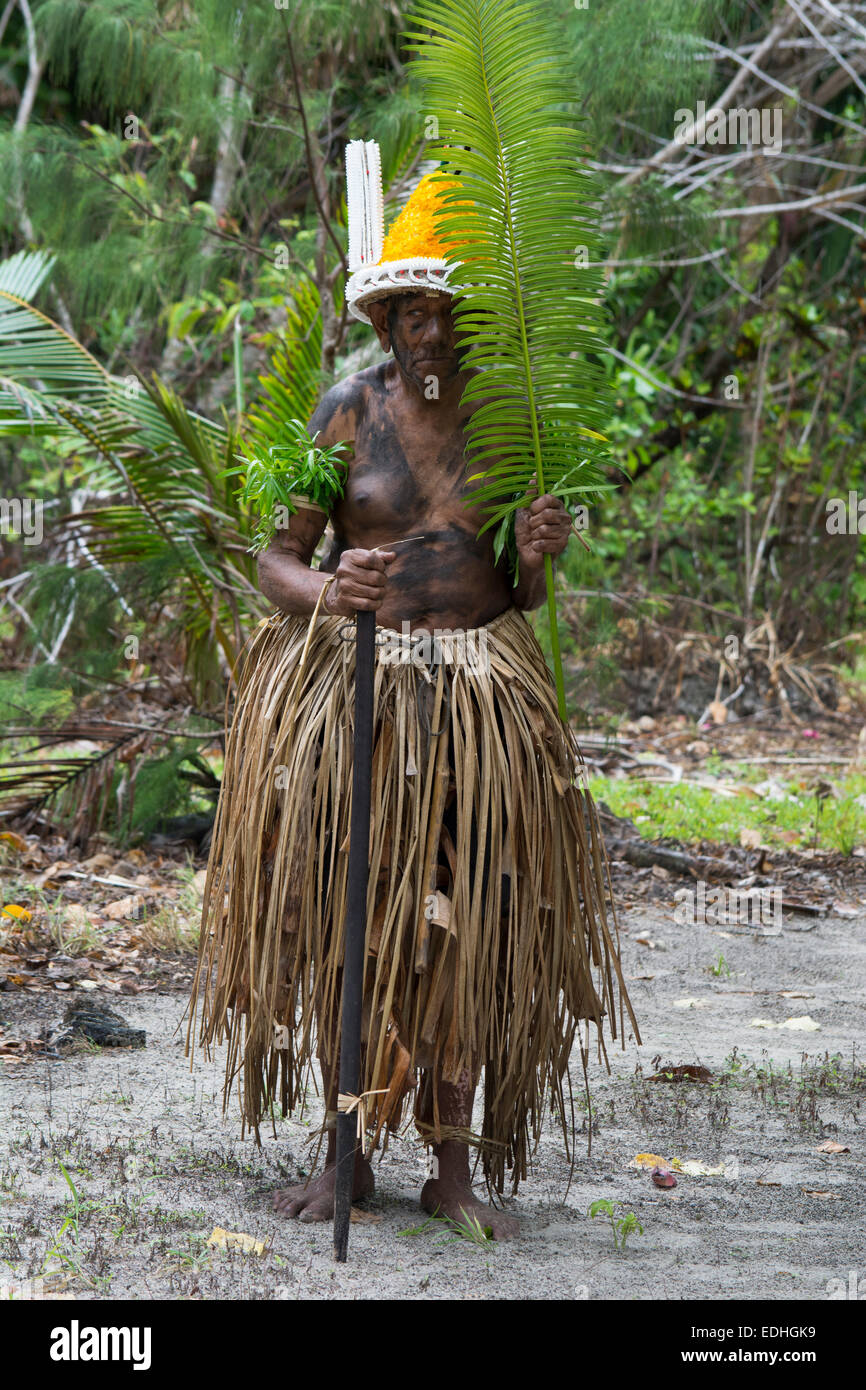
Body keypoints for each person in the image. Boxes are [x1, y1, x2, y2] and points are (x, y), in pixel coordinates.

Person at [189, 150, 637, 1240]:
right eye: (412, 312)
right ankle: (343, 1157)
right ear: (384, 317)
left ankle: (450, 1167)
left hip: (484, 698)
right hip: (359, 690)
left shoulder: (515, 417)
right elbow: (273, 560)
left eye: (451, 311)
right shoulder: (346, 409)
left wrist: (536, 555)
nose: (433, 332)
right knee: (350, 918)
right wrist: (330, 584)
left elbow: (523, 593)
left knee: (468, 919)